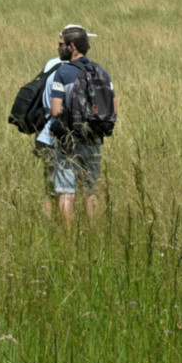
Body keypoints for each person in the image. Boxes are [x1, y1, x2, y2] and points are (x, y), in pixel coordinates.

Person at [37, 24, 114, 222]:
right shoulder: (101, 71)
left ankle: (68, 236)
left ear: (71, 46)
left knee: (66, 192)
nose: (58, 47)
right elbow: (113, 109)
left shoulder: (62, 73)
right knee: (91, 191)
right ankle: (94, 233)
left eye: (61, 44)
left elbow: (56, 110)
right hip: (93, 139)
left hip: (68, 142)